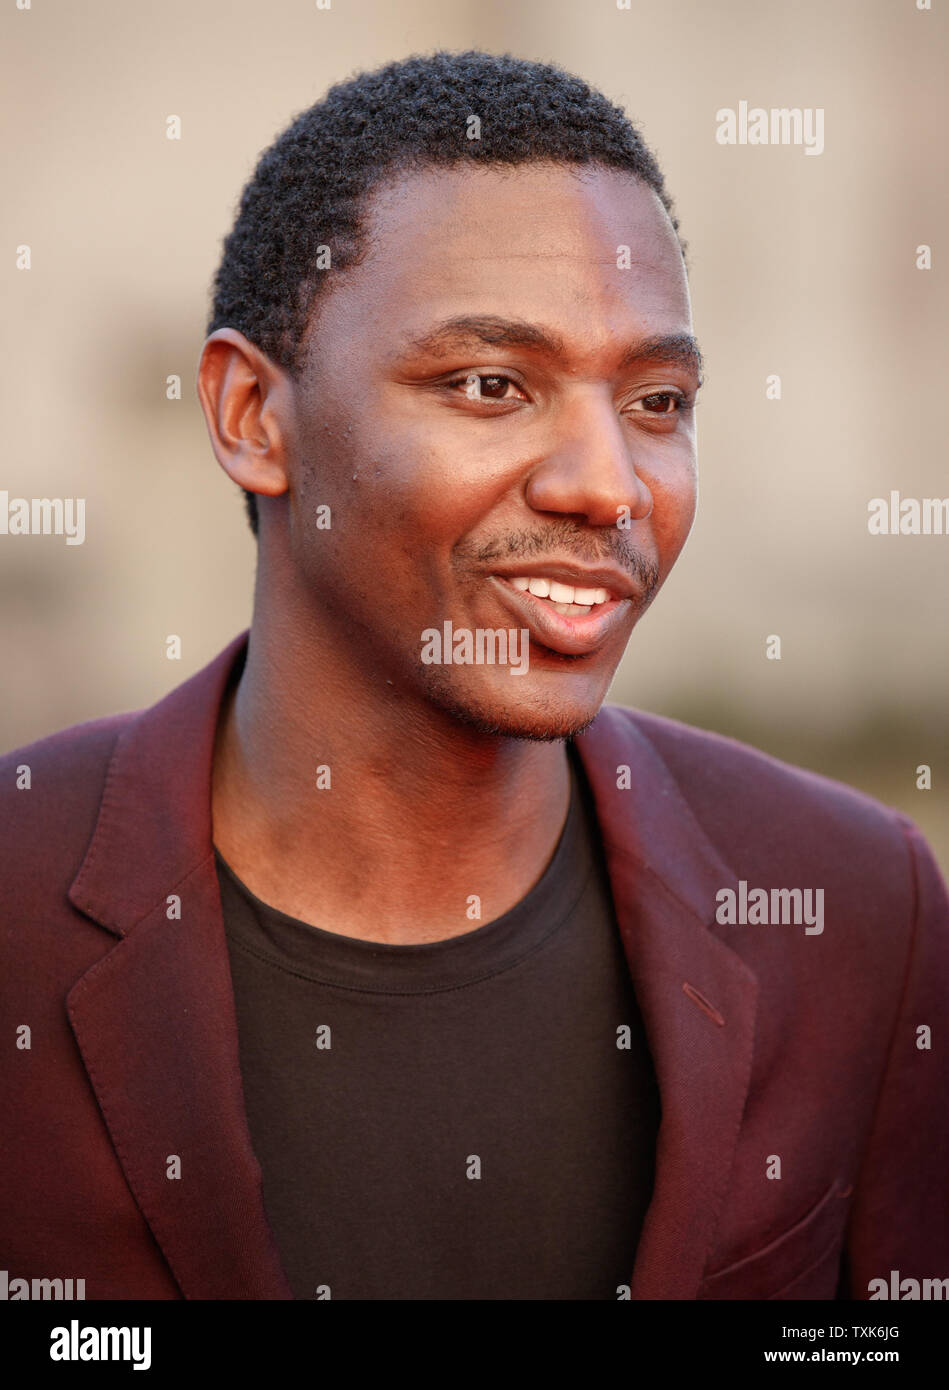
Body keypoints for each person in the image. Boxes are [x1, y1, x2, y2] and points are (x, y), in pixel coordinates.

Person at [2, 51, 947, 1302]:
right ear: (251, 416)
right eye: (491, 385)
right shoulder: (18, 895)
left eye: (657, 399)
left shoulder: (853, 909)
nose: (608, 484)